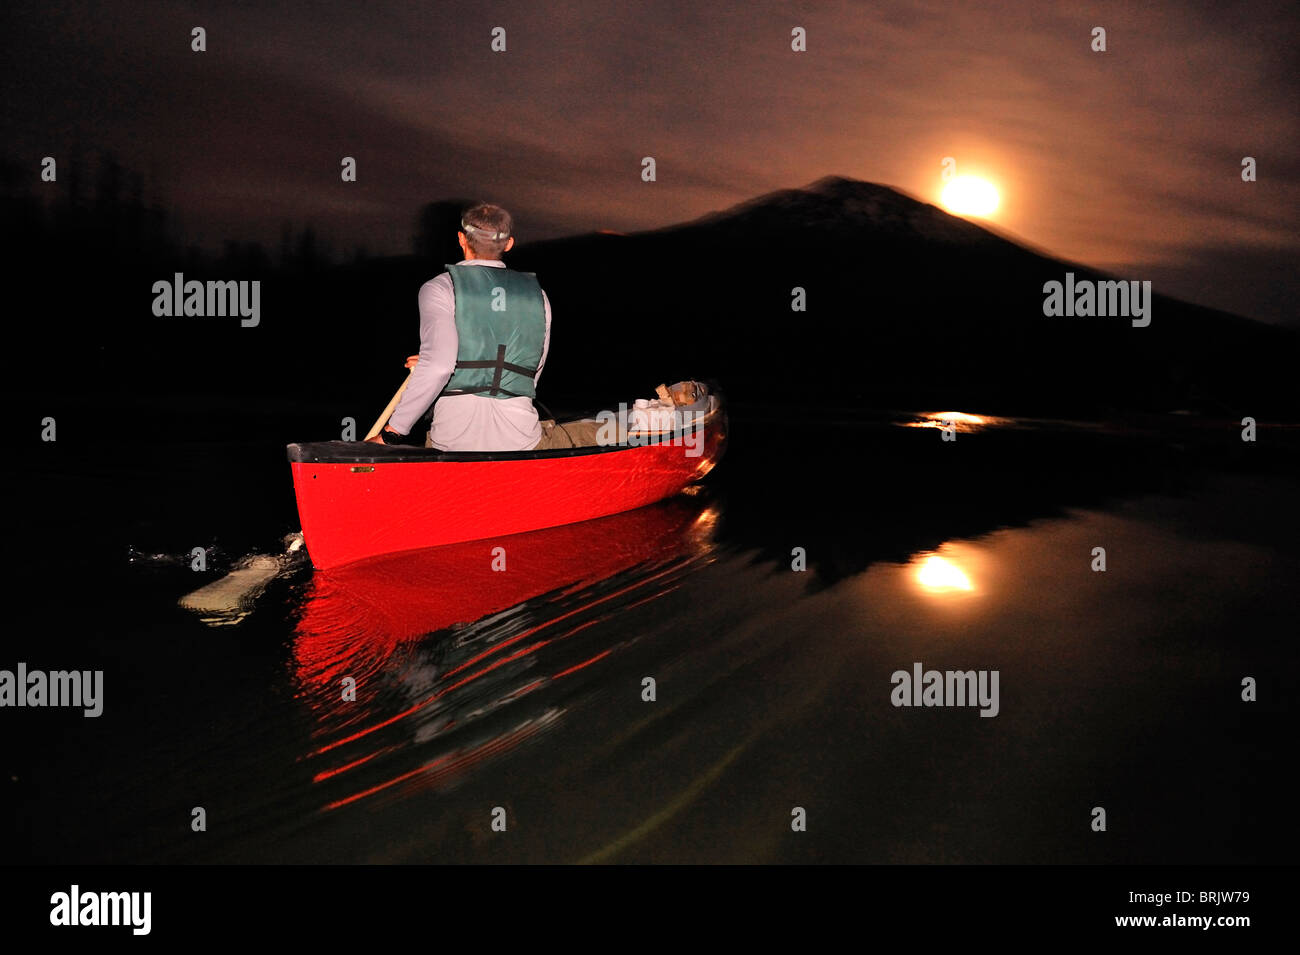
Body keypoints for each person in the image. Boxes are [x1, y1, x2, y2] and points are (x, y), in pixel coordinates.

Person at [368, 202, 564, 451]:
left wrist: (391, 434)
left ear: (462, 239)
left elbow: (439, 366)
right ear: (508, 244)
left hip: (454, 441)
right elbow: (531, 369)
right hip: (521, 438)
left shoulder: (440, 288)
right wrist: (459, 364)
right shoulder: (538, 296)